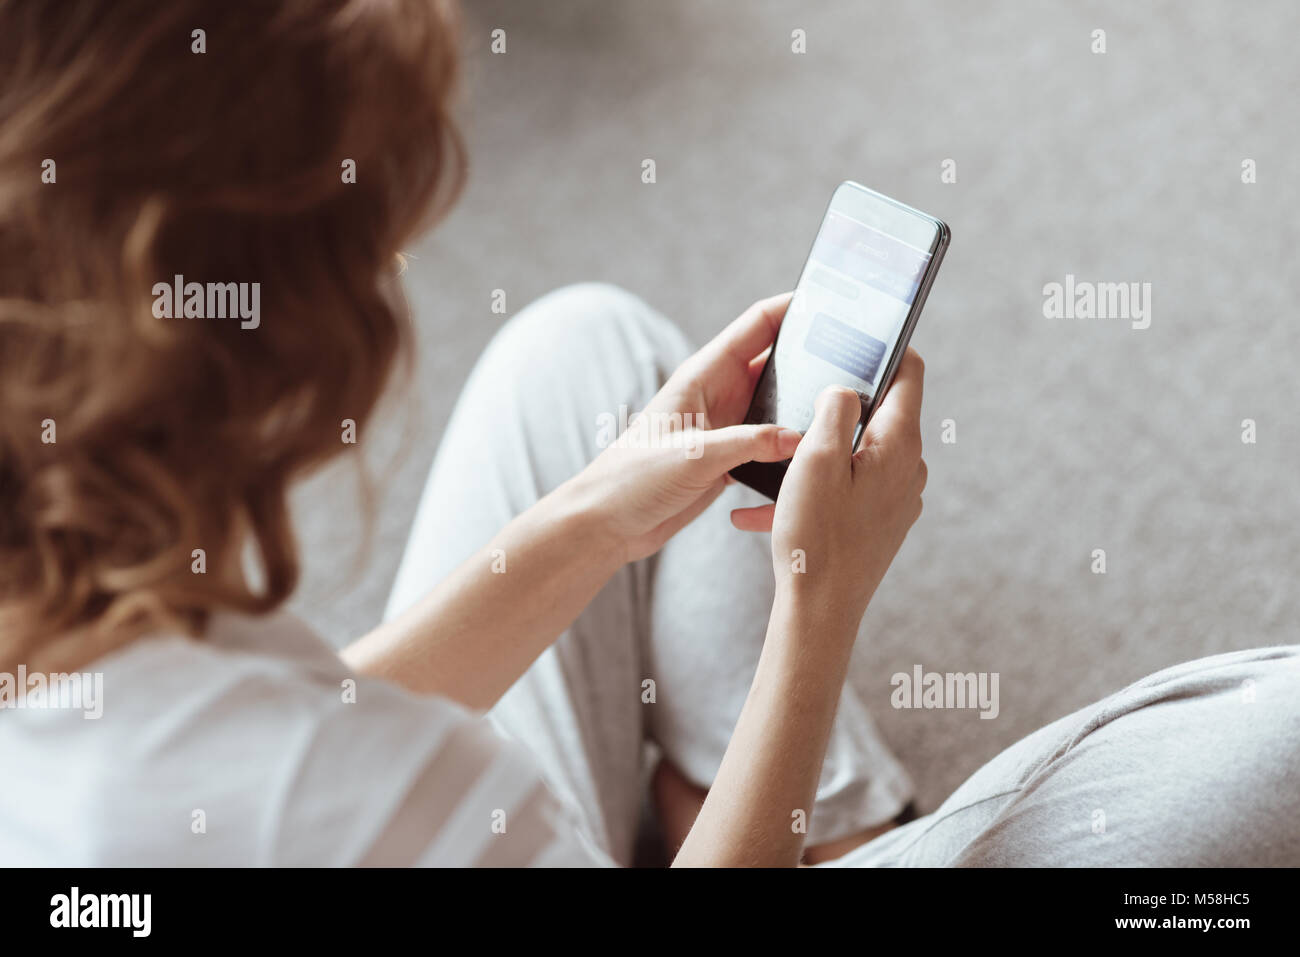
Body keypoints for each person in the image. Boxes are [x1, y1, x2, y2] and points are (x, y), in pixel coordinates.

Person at [1, 0, 1295, 868]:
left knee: (588, 351)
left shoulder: (85, 635)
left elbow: (304, 711)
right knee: (1273, 741)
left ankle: (777, 806)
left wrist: (601, 512)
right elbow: (319, 758)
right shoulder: (359, 799)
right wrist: (817, 601)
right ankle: (806, 821)